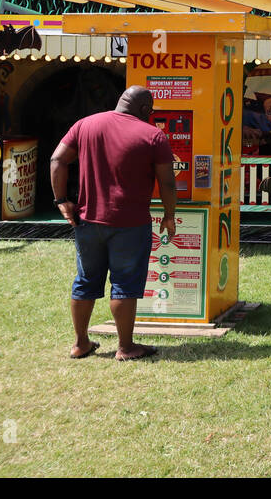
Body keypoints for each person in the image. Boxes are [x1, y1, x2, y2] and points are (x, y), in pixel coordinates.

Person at [50, 86, 177, 361]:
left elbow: (57, 159)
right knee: (125, 285)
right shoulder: (153, 135)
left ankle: (81, 343)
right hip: (130, 223)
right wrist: (169, 215)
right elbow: (167, 181)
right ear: (145, 110)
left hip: (87, 220)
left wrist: (62, 200)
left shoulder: (85, 125)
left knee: (85, 281)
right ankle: (126, 347)